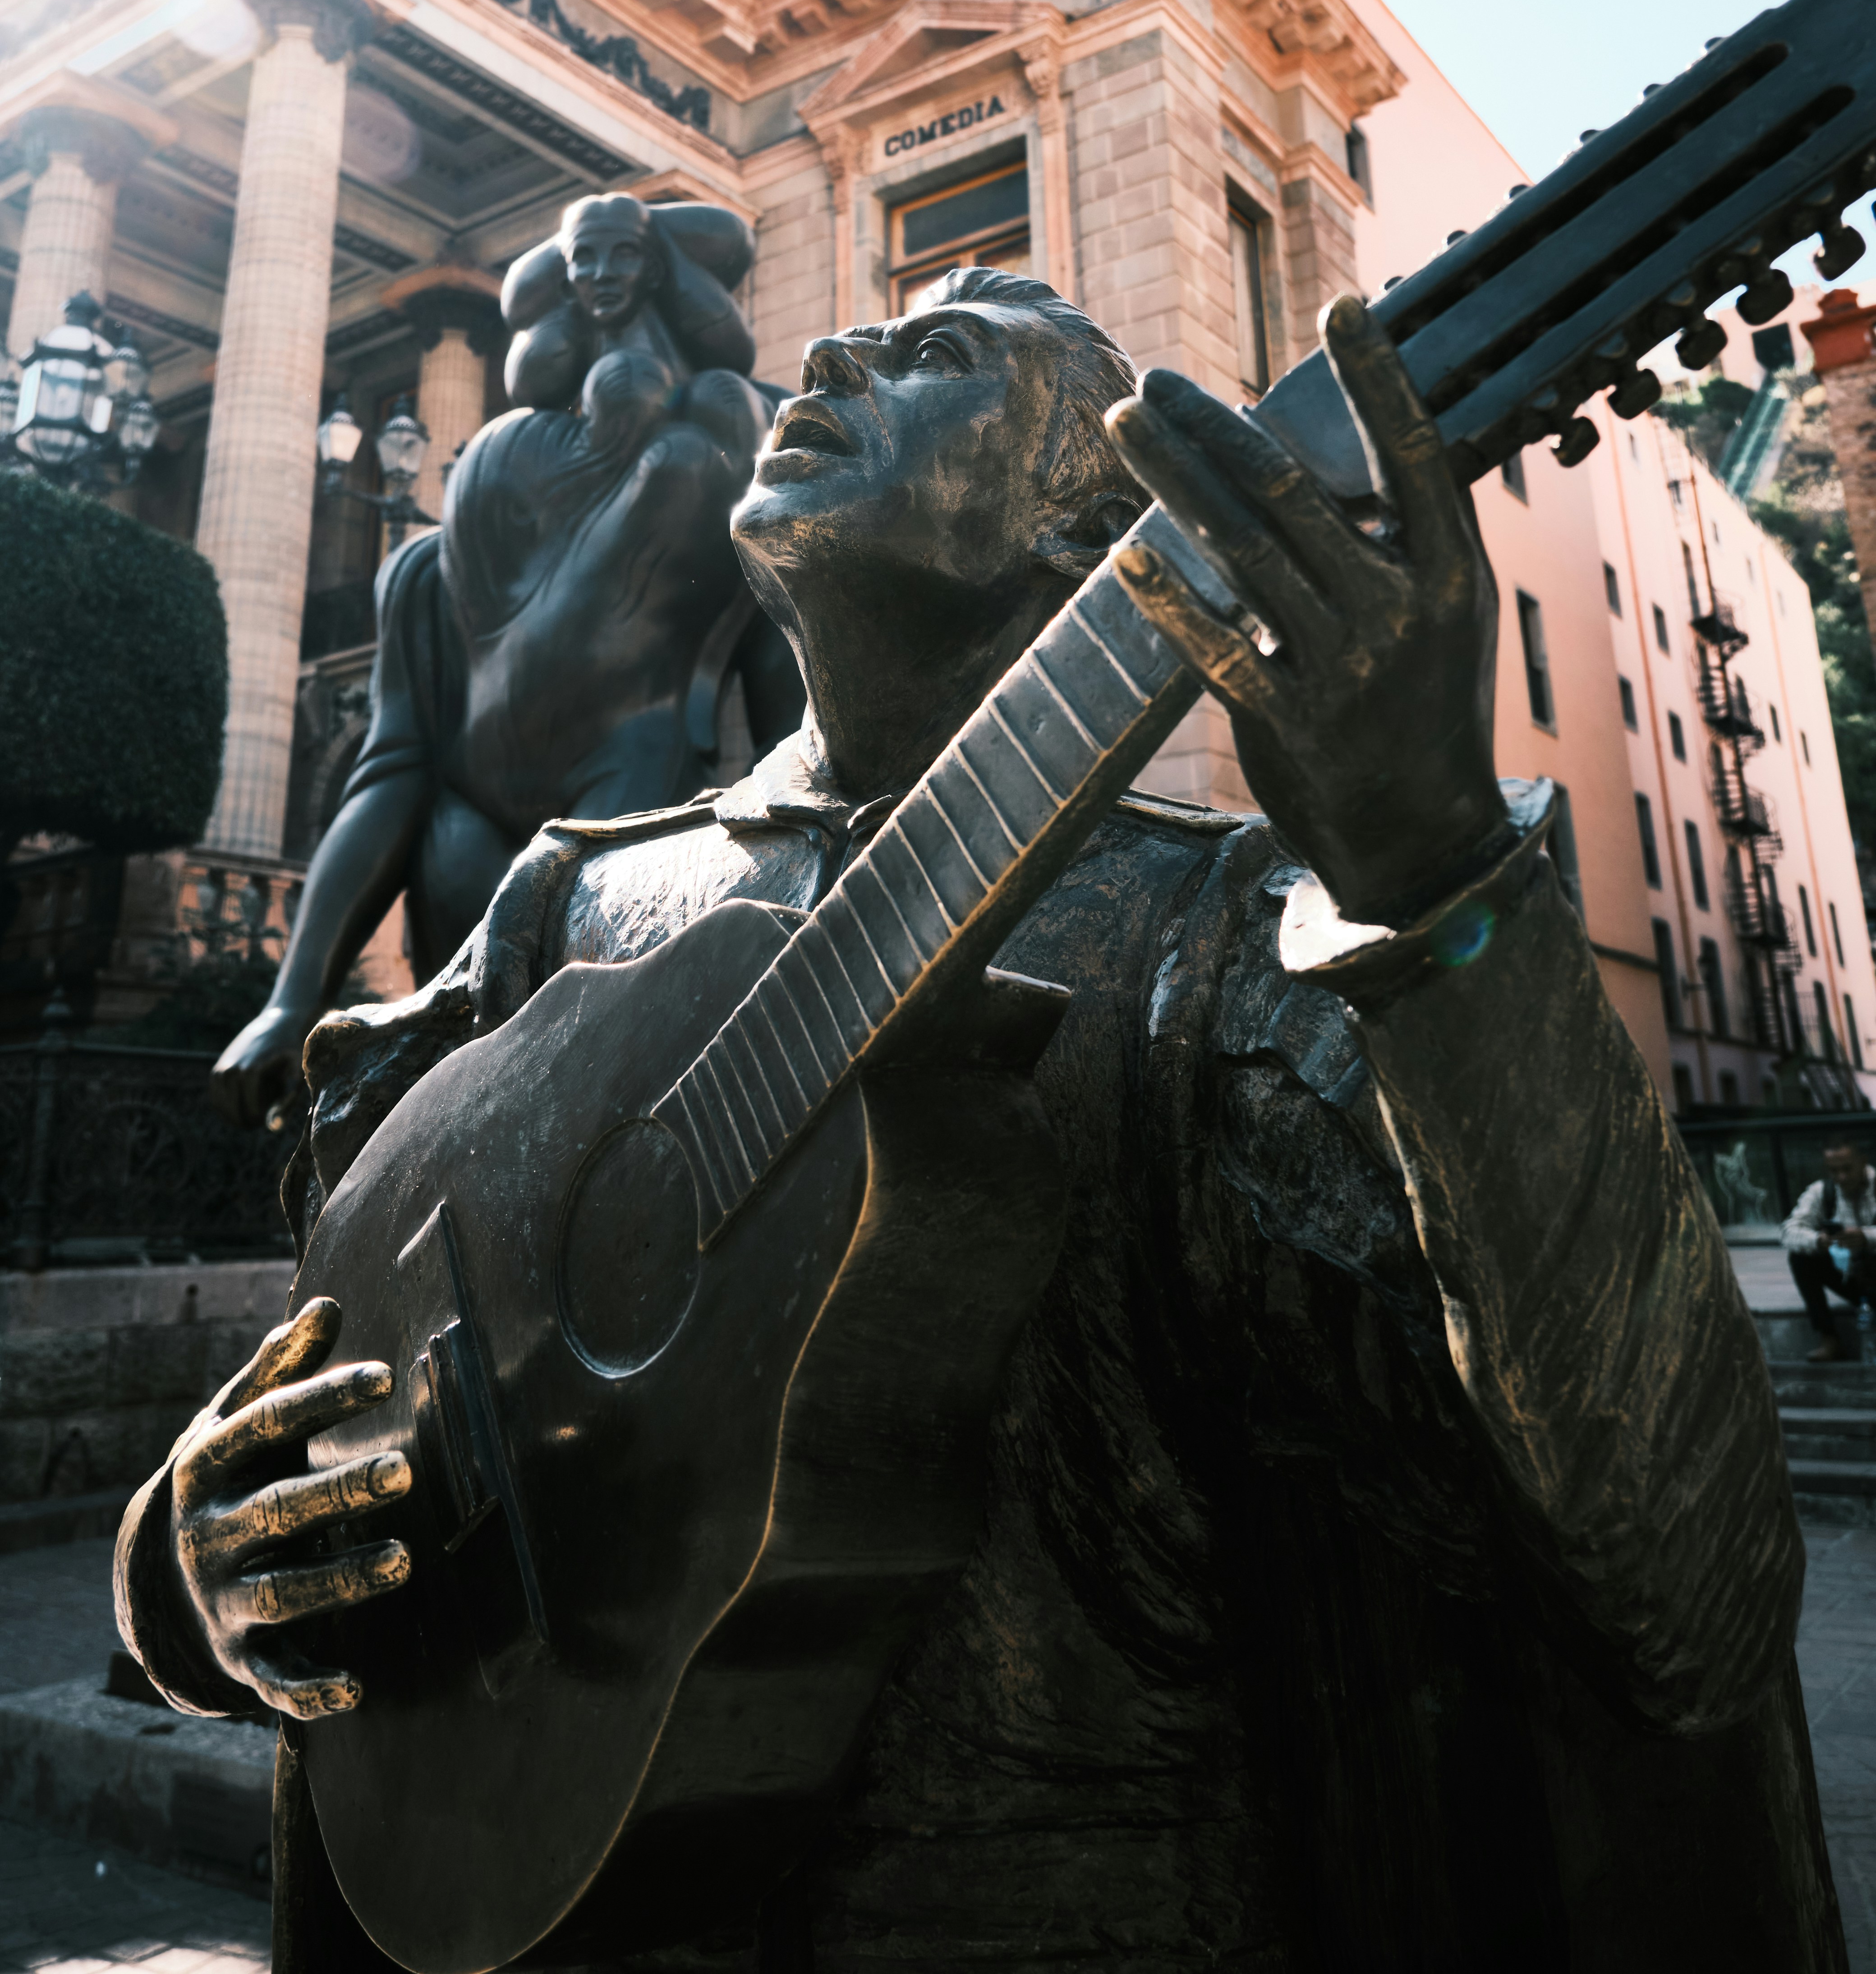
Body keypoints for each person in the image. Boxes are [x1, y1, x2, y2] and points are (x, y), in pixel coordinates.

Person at [120, 275, 1837, 1970]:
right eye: (858, 336)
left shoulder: (1227, 953)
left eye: (938, 357)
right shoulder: (564, 906)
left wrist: (1441, 889)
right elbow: (341, 1381)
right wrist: (189, 1571)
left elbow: (1677, 1593)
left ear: (1083, 525)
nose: (834, 346)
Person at [210, 195, 801, 1126]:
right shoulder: (424, 570)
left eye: (624, 258)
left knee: (582, 1114)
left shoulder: (725, 509)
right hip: (467, 865)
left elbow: (797, 754)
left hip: (633, 847)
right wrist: (294, 997)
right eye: (587, 262)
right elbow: (392, 773)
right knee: (478, 1120)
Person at [1784, 1139, 1876, 1360]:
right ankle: (1829, 1338)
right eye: (1834, 1171)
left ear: (1862, 1162)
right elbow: (1789, 1231)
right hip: (1851, 1277)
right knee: (1800, 1257)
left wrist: (1867, 1237)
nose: (1841, 1177)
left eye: (1847, 1169)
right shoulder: (1821, 1192)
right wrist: (1819, 1241)